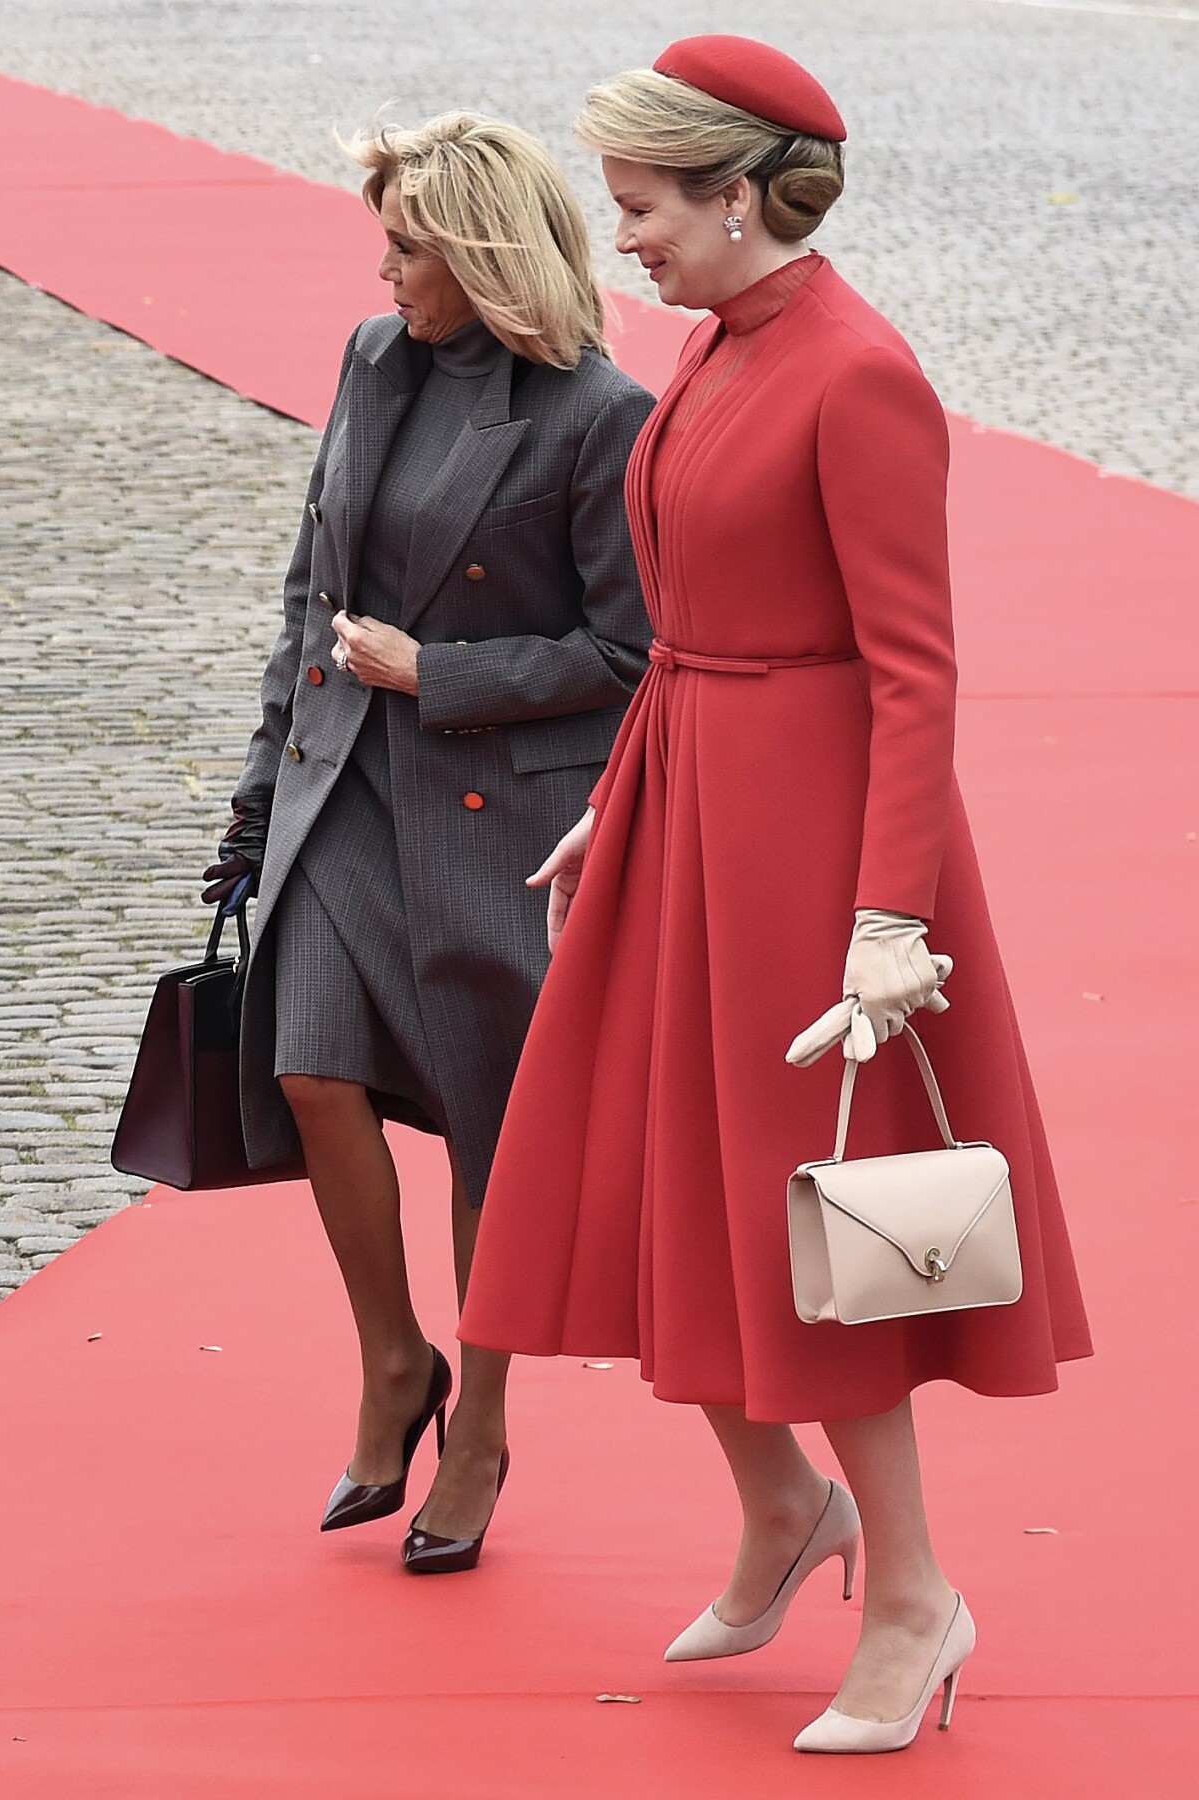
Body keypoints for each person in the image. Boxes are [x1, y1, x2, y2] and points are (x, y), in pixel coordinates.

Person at [460, 36, 1091, 1751]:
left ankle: (913, 1598)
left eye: (648, 206)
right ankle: (777, 1506)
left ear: (740, 194)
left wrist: (892, 921)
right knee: (649, 1184)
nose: (626, 242)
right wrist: (619, 799)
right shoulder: (724, 341)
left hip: (818, 852)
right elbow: (695, 624)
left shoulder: (856, 372)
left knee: (820, 1239)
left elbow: (915, 670)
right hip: (691, 804)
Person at [202, 110, 653, 1572]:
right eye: (386, 243)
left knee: (479, 1133)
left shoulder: (597, 415)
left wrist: (440, 676)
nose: (386, 269)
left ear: (478, 251)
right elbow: (306, 589)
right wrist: (258, 794)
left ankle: (485, 1423)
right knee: (310, 1070)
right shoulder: (370, 359)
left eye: (409, 246)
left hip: (489, 809)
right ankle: (397, 1360)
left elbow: (634, 652)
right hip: (342, 787)